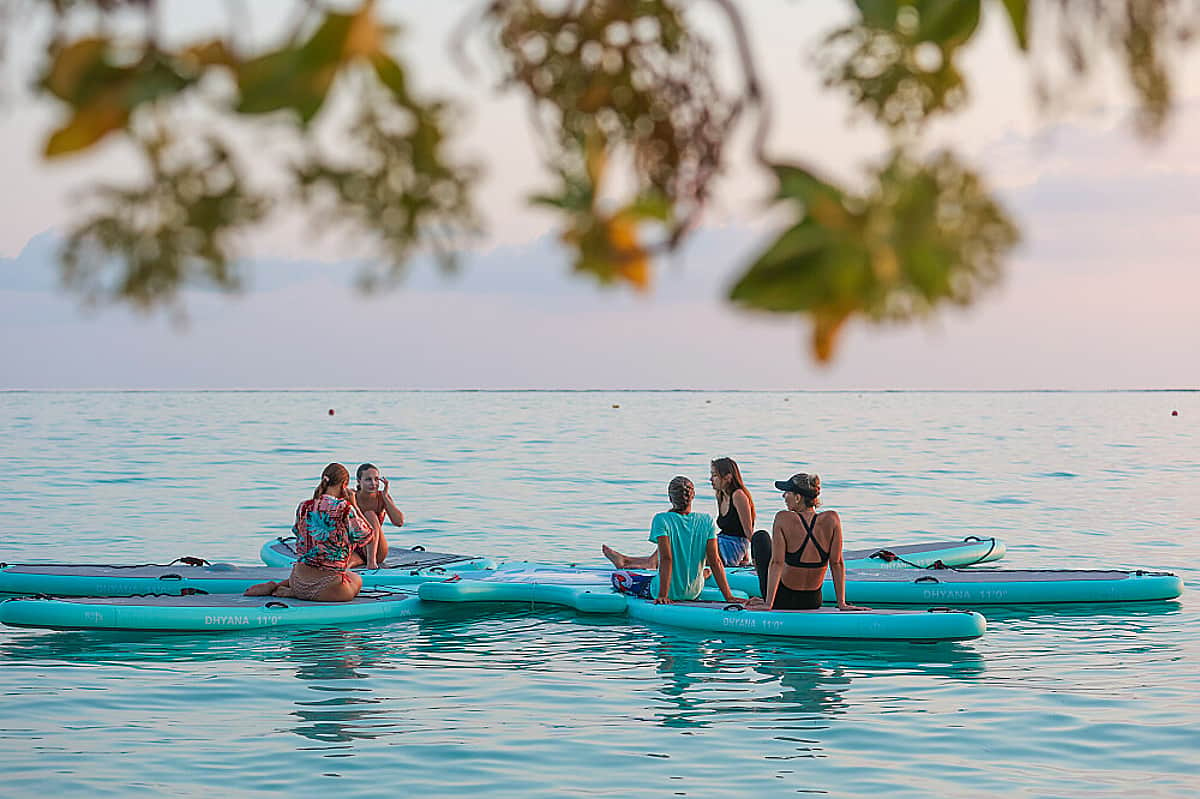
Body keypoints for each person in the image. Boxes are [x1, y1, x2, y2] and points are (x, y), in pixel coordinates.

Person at [245, 463, 377, 602]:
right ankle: (297, 593)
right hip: (327, 586)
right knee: (356, 580)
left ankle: (282, 587)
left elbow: (297, 532)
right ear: (344, 485)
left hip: (297, 580)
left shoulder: (304, 506)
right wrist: (354, 505)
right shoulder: (344, 509)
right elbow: (367, 536)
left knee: (323, 572)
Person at [602, 457, 756, 569]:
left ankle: (641, 562)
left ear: (728, 477)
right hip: (721, 541)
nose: (710, 479)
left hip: (731, 549)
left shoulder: (739, 496)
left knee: (684, 541)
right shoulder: (721, 494)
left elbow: (748, 532)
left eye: (714, 475)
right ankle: (629, 560)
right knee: (680, 540)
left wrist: (752, 559)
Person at [750, 473, 866, 611]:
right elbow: (837, 563)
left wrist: (768, 603)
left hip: (783, 600)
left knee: (760, 537)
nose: (783, 496)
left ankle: (768, 598)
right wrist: (842, 603)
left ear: (798, 497)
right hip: (813, 600)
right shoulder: (832, 519)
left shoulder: (783, 518)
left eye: (787, 492)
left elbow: (777, 563)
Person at [637, 476, 740, 604]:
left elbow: (666, 559)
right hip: (694, 592)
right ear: (693, 496)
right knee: (705, 571)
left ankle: (624, 562)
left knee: (624, 580)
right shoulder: (706, 521)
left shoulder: (661, 519)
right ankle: (703, 575)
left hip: (668, 592)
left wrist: (663, 595)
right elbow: (715, 561)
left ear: (670, 498)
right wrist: (728, 596)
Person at [352, 462, 402, 566]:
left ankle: (371, 562)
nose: (373, 483)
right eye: (368, 479)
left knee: (370, 514)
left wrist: (385, 497)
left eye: (376, 479)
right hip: (356, 548)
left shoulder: (381, 497)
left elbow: (399, 522)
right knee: (343, 565)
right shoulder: (352, 496)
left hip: (376, 551)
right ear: (358, 481)